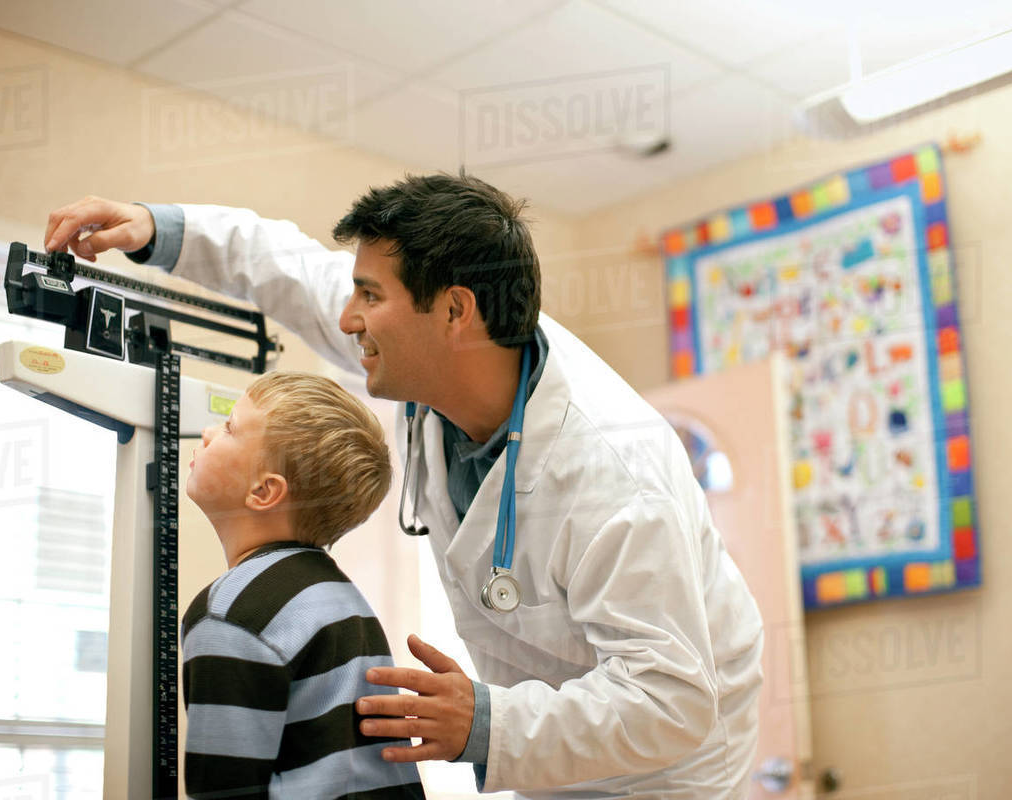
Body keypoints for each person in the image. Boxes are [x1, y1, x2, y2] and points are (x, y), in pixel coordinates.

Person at [44, 175, 765, 799]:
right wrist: (158, 230)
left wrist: (482, 721)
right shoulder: (440, 357)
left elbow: (671, 700)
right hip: (554, 752)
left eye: (368, 295)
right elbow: (285, 270)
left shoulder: (613, 473)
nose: (349, 317)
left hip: (673, 773)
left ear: (454, 311)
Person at [181, 370, 425, 799]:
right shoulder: (342, 598)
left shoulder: (231, 617)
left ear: (264, 491)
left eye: (229, 427)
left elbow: (223, 790)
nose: (206, 433)